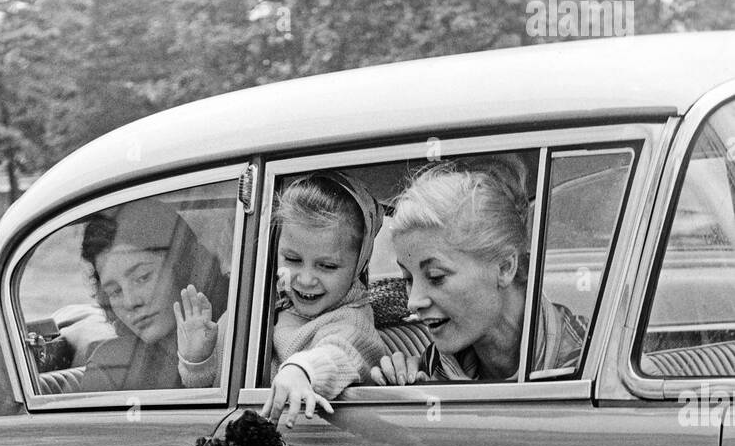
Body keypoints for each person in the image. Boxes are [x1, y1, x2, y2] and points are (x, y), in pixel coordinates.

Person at [175, 171, 387, 425]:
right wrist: (199, 358)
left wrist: (302, 371)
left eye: (327, 266)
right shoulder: (259, 302)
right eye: (293, 259)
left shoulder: (352, 319)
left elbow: (339, 354)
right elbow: (208, 391)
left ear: (359, 265)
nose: (306, 279)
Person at [369, 156, 588, 386]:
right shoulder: (435, 365)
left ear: (505, 267)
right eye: (408, 279)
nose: (412, 303)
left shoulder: (584, 363)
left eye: (436, 277)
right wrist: (409, 383)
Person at [76, 197, 230, 392]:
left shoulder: (234, 336)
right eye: (114, 291)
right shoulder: (112, 368)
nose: (131, 302)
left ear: (182, 266)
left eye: (142, 277)